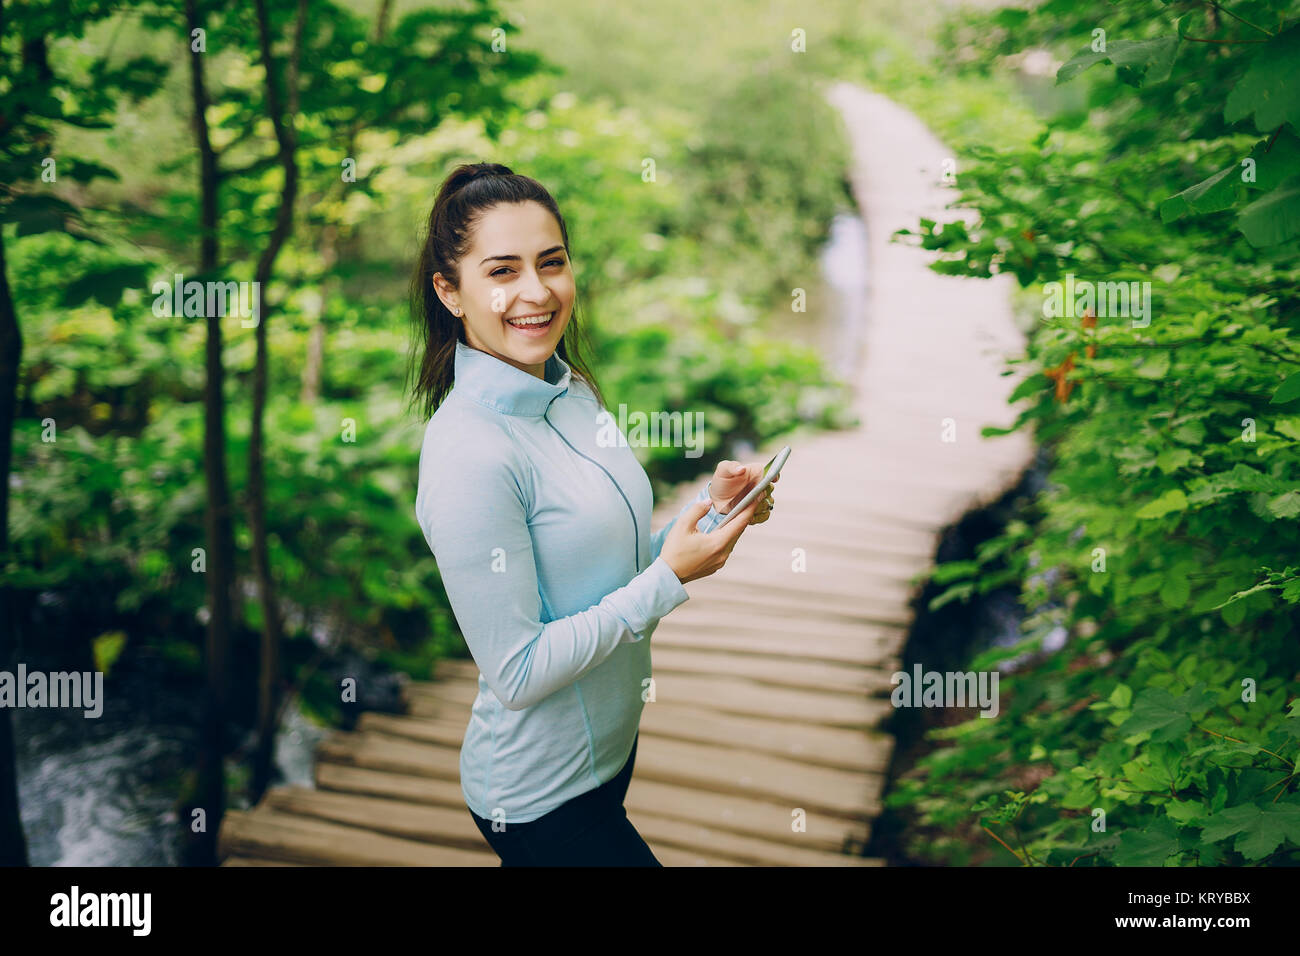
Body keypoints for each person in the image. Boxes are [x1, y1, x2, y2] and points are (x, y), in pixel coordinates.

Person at [407, 162, 777, 866]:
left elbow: (612, 565)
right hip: (538, 796)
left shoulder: (568, 390)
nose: (537, 292)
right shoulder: (468, 455)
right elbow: (516, 672)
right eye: (502, 272)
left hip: (608, 754)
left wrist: (707, 513)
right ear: (450, 291)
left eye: (552, 263)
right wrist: (669, 578)